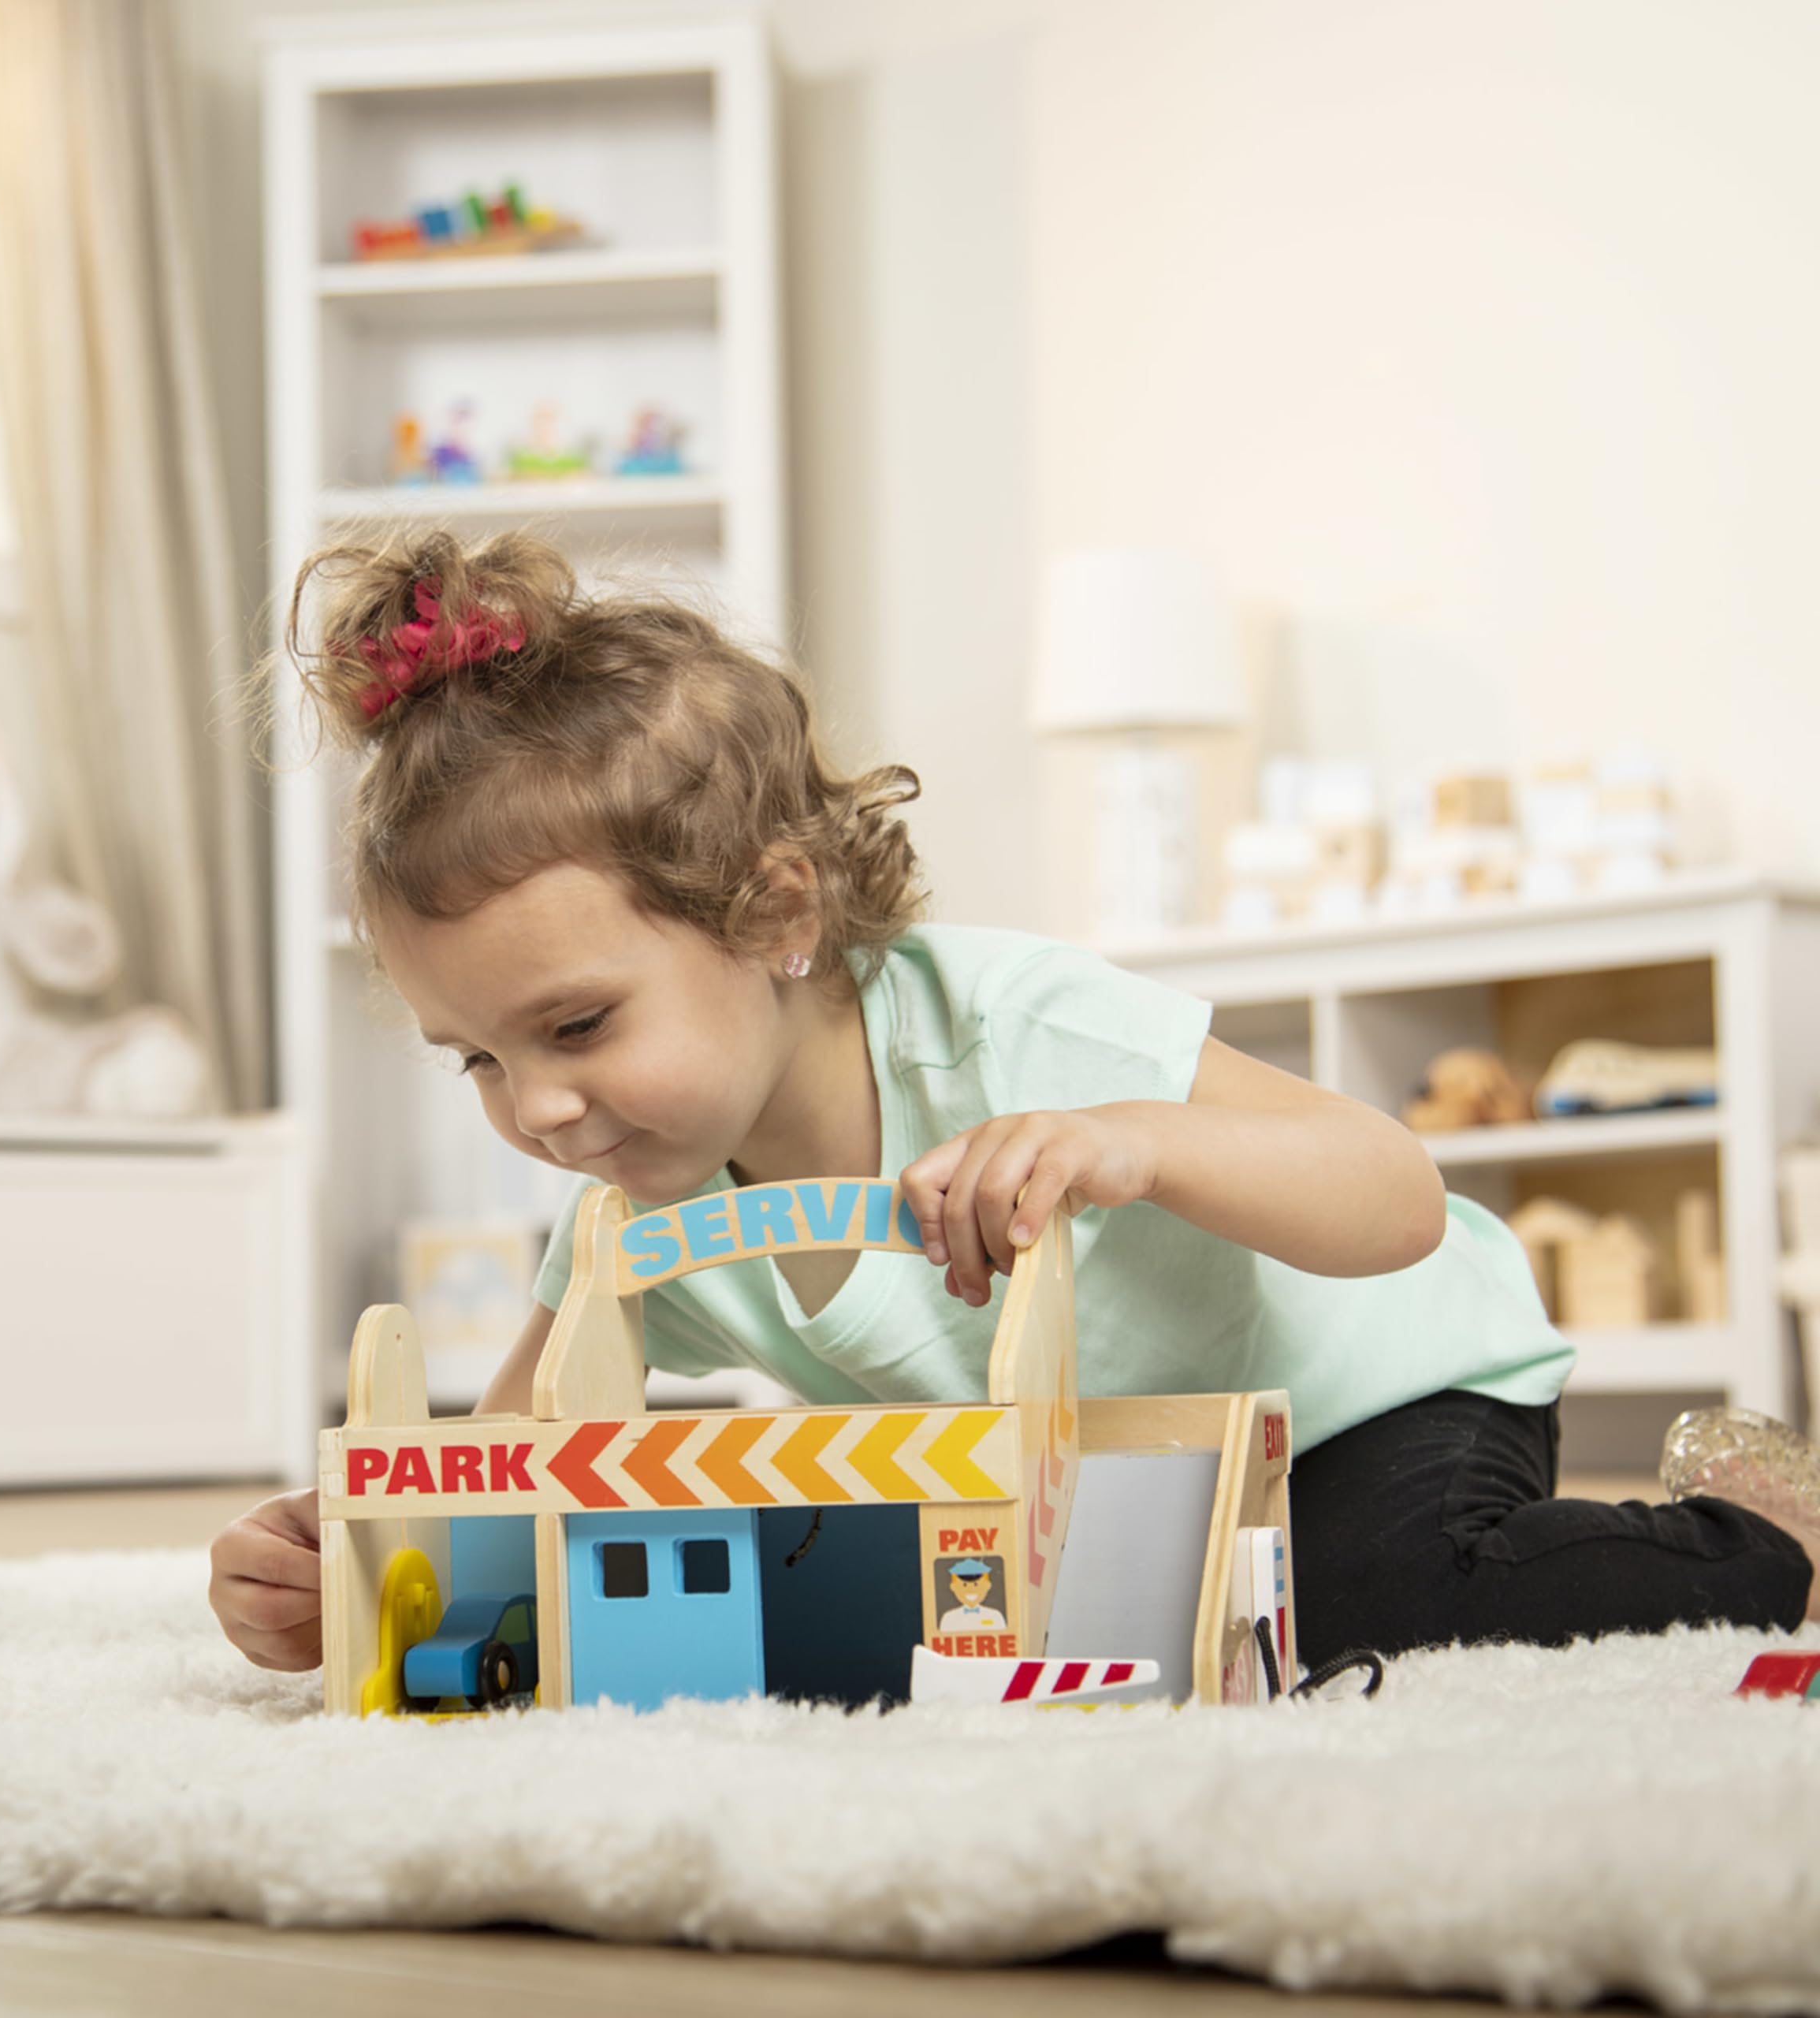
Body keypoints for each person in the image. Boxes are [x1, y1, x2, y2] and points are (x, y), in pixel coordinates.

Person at [209, 527, 1818, 1678]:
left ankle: (1752, 1525)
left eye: (574, 1023)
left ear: (775, 915)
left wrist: (1133, 1143)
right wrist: (348, 1574)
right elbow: (514, 1473)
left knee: (1353, 1603)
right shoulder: (638, 1205)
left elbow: (1392, 1192)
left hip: (1370, 1390)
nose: (538, 1109)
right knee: (953, 1617)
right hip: (1102, 1462)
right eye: (477, 1057)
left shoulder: (1015, 1023)